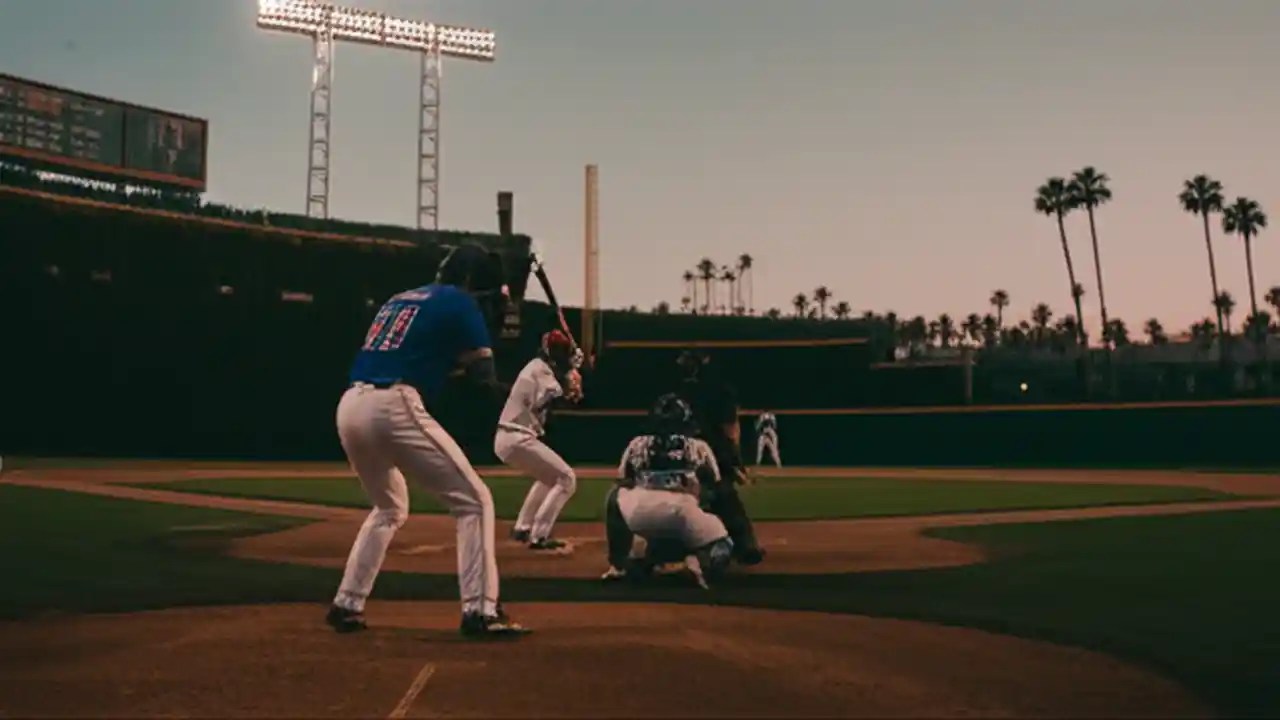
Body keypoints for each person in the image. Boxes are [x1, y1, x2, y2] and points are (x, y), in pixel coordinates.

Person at [325, 243, 531, 639]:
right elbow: (483, 382)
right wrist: (529, 401)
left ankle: (347, 603)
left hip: (350, 406)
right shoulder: (460, 303)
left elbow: (429, 356)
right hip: (392, 404)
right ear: (470, 281)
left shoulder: (401, 298)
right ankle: (481, 610)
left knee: (388, 507)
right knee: (475, 502)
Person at [601, 393, 734, 588]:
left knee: (615, 496)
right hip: (684, 514)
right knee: (723, 545)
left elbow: (623, 481)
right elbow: (716, 488)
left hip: (639, 514)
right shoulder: (699, 447)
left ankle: (619, 565)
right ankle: (697, 561)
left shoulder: (637, 444)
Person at [495, 329, 584, 551]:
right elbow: (554, 397)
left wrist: (572, 373)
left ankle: (522, 528)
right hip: (516, 436)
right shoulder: (540, 369)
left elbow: (562, 395)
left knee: (548, 478)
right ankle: (539, 535)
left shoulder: (541, 367)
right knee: (566, 478)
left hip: (511, 436)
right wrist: (573, 373)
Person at [674, 350, 765, 565]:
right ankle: (744, 546)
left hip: (681, 452)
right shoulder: (721, 390)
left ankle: (675, 549)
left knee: (682, 500)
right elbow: (730, 428)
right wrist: (736, 460)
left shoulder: (679, 393)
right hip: (713, 451)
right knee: (726, 498)